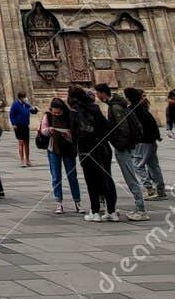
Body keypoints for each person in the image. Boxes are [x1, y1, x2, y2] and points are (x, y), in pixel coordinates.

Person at [94, 84, 148, 220]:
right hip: (123, 146)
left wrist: (120, 144)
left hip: (123, 147)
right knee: (130, 175)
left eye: (97, 93)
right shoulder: (116, 105)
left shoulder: (115, 107)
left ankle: (141, 209)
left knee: (130, 177)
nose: (97, 96)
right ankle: (139, 206)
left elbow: (123, 128)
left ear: (102, 93)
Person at [67, 86, 118, 221]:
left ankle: (95, 212)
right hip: (103, 147)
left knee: (91, 180)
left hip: (86, 149)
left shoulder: (74, 111)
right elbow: (106, 127)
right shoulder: (94, 107)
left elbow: (74, 133)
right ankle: (112, 211)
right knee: (107, 177)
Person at [42, 96, 81, 213]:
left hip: (68, 149)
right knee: (56, 176)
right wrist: (49, 130)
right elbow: (42, 130)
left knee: (72, 176)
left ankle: (77, 202)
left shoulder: (70, 116)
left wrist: (68, 135)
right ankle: (58, 202)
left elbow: (75, 134)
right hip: (54, 149)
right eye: (55, 112)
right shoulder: (48, 116)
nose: (57, 114)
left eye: (59, 113)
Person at [124, 86, 165, 198]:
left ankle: (149, 188)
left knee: (138, 165)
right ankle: (161, 190)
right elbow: (152, 123)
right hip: (151, 140)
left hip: (142, 141)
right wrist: (157, 136)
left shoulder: (132, 109)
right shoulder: (142, 108)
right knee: (153, 165)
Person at [9, 89, 36, 167]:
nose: (25, 98)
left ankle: (27, 160)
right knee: (21, 143)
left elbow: (32, 111)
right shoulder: (15, 104)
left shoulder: (26, 104)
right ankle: (22, 160)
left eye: (25, 97)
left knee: (27, 143)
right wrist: (13, 124)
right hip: (18, 126)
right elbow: (11, 115)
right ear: (20, 98)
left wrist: (34, 108)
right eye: (24, 97)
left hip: (25, 125)